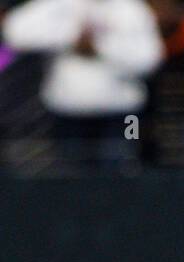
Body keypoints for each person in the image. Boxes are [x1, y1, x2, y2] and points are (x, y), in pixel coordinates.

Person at [2, 0, 164, 165]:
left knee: (127, 166)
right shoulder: (59, 4)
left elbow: (150, 59)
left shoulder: (132, 9)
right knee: (71, 177)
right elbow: (14, 31)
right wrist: (72, 38)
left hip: (126, 114)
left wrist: (99, 47)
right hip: (68, 112)